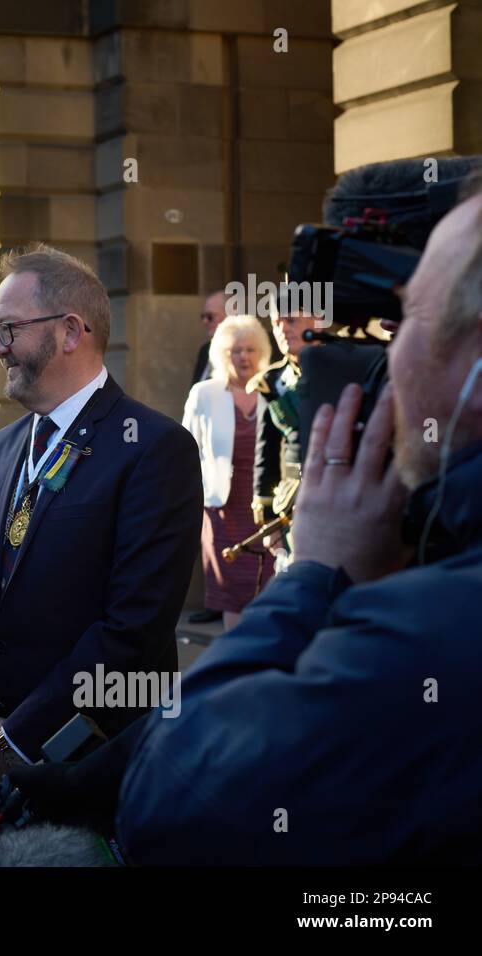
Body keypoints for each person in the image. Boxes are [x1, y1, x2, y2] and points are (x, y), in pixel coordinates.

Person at [116, 186, 482, 864]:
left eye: (410, 323)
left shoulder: (436, 625)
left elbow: (174, 794)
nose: (388, 362)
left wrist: (315, 576)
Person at [0, 245, 201, 786]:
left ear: (71, 331)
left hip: (90, 767)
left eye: (8, 330)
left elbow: (134, 627)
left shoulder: (154, 447)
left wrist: (19, 736)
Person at [182, 315, 274, 630]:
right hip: (223, 508)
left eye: (250, 349)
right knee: (232, 589)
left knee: (271, 586)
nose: (243, 357)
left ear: (260, 352)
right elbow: (186, 450)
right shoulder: (204, 393)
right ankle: (236, 663)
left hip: (268, 506)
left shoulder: (273, 388)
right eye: (235, 350)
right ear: (223, 354)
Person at [248, 307, 320, 567]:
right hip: (292, 502)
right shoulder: (272, 381)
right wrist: (268, 519)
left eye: (292, 320)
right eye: (277, 322)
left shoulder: (346, 367)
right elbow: (265, 452)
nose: (283, 329)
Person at [190, 289, 227, 386]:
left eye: (210, 316)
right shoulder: (205, 350)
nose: (205, 321)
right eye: (203, 316)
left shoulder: (243, 352)